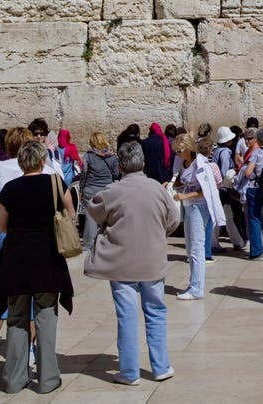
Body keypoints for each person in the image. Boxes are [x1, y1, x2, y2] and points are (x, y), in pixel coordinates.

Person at [84, 140, 180, 385]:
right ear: (143, 162)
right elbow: (173, 219)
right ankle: (160, 367)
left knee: (126, 315)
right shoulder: (157, 189)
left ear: (120, 165)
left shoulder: (113, 190)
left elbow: (94, 210)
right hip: (152, 261)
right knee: (156, 311)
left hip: (121, 262)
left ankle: (129, 373)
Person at [0, 140, 74, 394]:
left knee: (16, 320)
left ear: (22, 161)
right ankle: (47, 380)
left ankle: (14, 380)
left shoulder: (10, 189)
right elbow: (70, 213)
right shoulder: (56, 183)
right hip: (47, 259)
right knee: (46, 318)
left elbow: (1, 226)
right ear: (42, 160)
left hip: (16, 261)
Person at [0, 127, 38, 368]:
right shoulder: (39, 169)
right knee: (32, 292)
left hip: (5, 234)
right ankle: (31, 350)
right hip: (33, 236)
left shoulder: (0, 169)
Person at [172, 133, 225, 300]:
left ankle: (196, 289)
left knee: (196, 247)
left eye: (180, 150)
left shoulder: (201, 164)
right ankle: (193, 284)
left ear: (188, 149)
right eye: (176, 151)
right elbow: (180, 180)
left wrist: (186, 196)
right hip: (189, 207)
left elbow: (207, 191)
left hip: (200, 207)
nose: (177, 154)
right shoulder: (181, 161)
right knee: (189, 247)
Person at [80, 133, 120, 250]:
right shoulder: (112, 157)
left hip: (90, 189)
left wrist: (81, 189)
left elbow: (84, 173)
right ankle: (109, 242)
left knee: (90, 217)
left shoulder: (88, 156)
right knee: (109, 217)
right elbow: (116, 174)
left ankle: (89, 244)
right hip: (107, 189)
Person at [209, 127, 246, 251]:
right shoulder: (225, 152)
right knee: (225, 216)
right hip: (224, 189)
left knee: (225, 215)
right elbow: (225, 172)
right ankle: (215, 243)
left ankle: (237, 242)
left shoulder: (216, 151)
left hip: (218, 188)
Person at [244, 127, 263, 261]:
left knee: (254, 218)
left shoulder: (256, 152)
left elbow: (248, 173)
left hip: (255, 189)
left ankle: (257, 252)